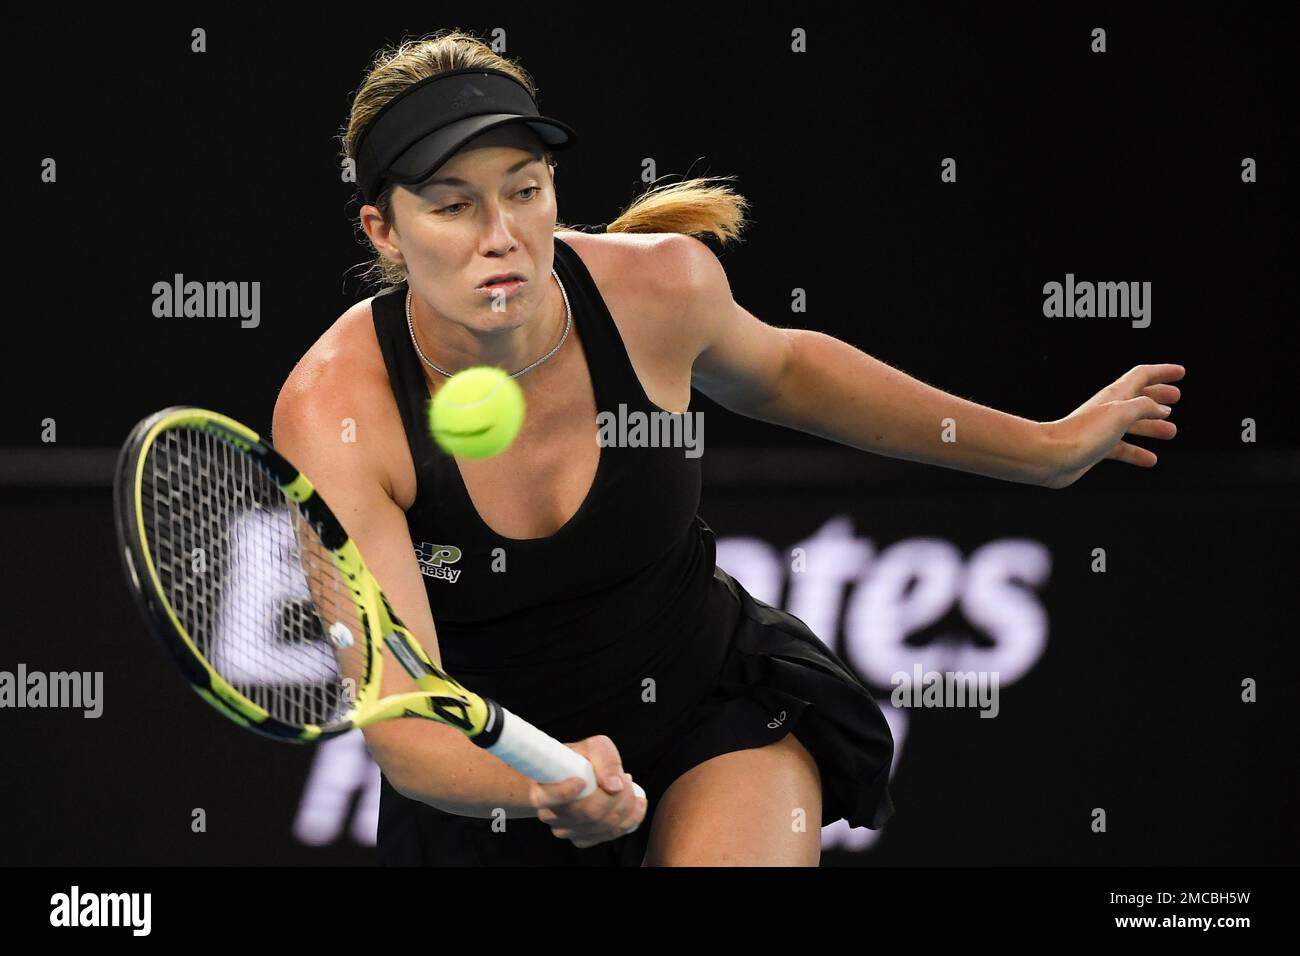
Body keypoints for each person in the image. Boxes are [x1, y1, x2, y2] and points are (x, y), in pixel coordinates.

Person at [272, 32, 1182, 866]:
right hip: (490, 791)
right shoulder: (338, 412)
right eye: (451, 205)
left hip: (708, 704)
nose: (501, 237)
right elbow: (407, 723)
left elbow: (788, 371)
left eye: (525, 189)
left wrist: (1046, 449)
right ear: (382, 230)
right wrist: (541, 783)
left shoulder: (659, 289)